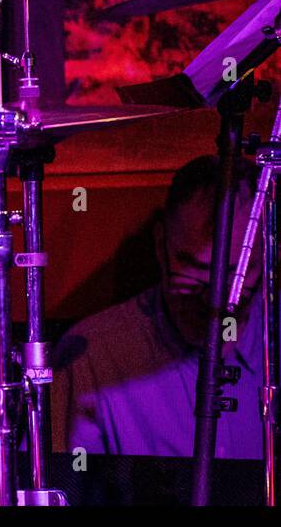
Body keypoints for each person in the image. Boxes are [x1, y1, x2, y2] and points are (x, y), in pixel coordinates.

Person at [52, 154, 266, 459]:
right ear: (160, 242)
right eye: (192, 267)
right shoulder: (92, 358)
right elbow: (63, 488)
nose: (213, 299)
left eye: (236, 273)